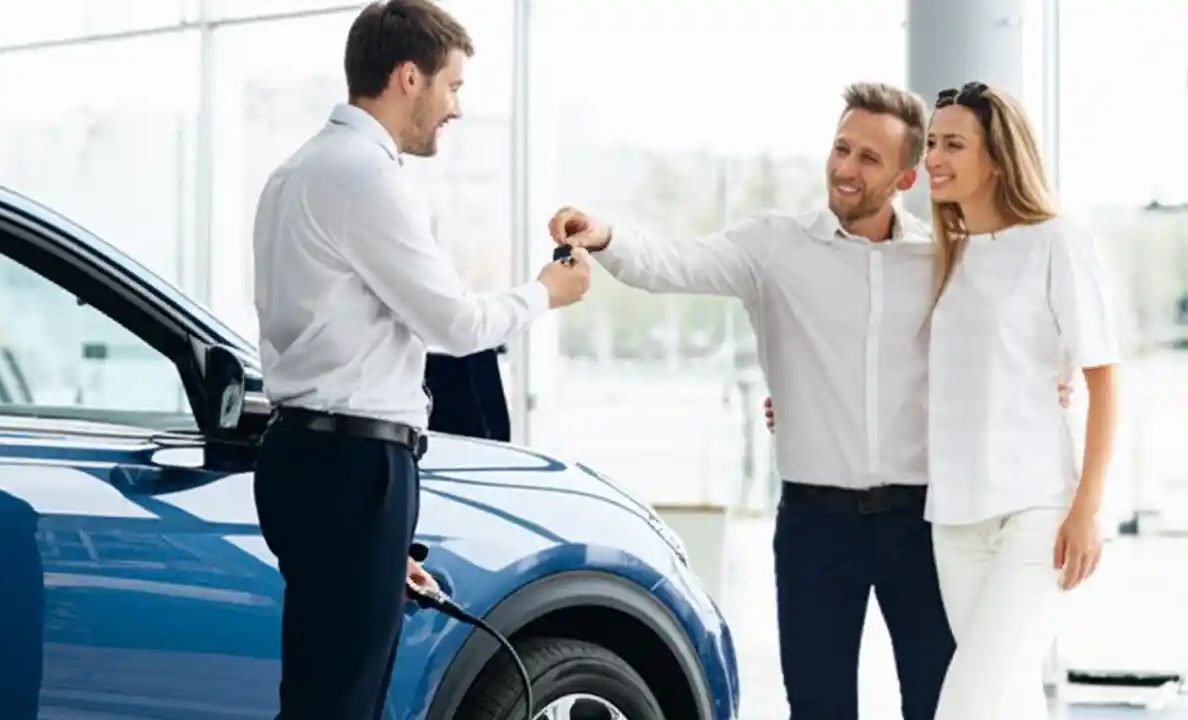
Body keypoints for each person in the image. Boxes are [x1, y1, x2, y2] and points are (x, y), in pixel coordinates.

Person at [551, 82, 955, 719]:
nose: (845, 169)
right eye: (841, 148)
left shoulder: (938, 258)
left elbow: (992, 352)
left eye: (868, 159)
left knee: (940, 703)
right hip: (817, 525)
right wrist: (605, 237)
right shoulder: (775, 246)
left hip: (923, 523)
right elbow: (673, 263)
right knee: (818, 706)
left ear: (905, 178)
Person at [249, 1, 591, 717]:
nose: (455, 109)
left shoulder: (296, 171)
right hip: (353, 470)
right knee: (340, 704)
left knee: (320, 689)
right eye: (453, 87)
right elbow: (454, 322)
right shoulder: (364, 177)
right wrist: (545, 292)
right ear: (409, 77)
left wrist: (377, 543)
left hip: (312, 464)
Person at [922, 81, 1119, 718]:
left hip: (1036, 510)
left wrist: (1086, 508)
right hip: (955, 516)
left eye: (954, 144)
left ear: (998, 159)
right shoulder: (946, 253)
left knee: (967, 705)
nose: (934, 158)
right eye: (930, 143)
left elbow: (1104, 378)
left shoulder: (1055, 241)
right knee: (1009, 700)